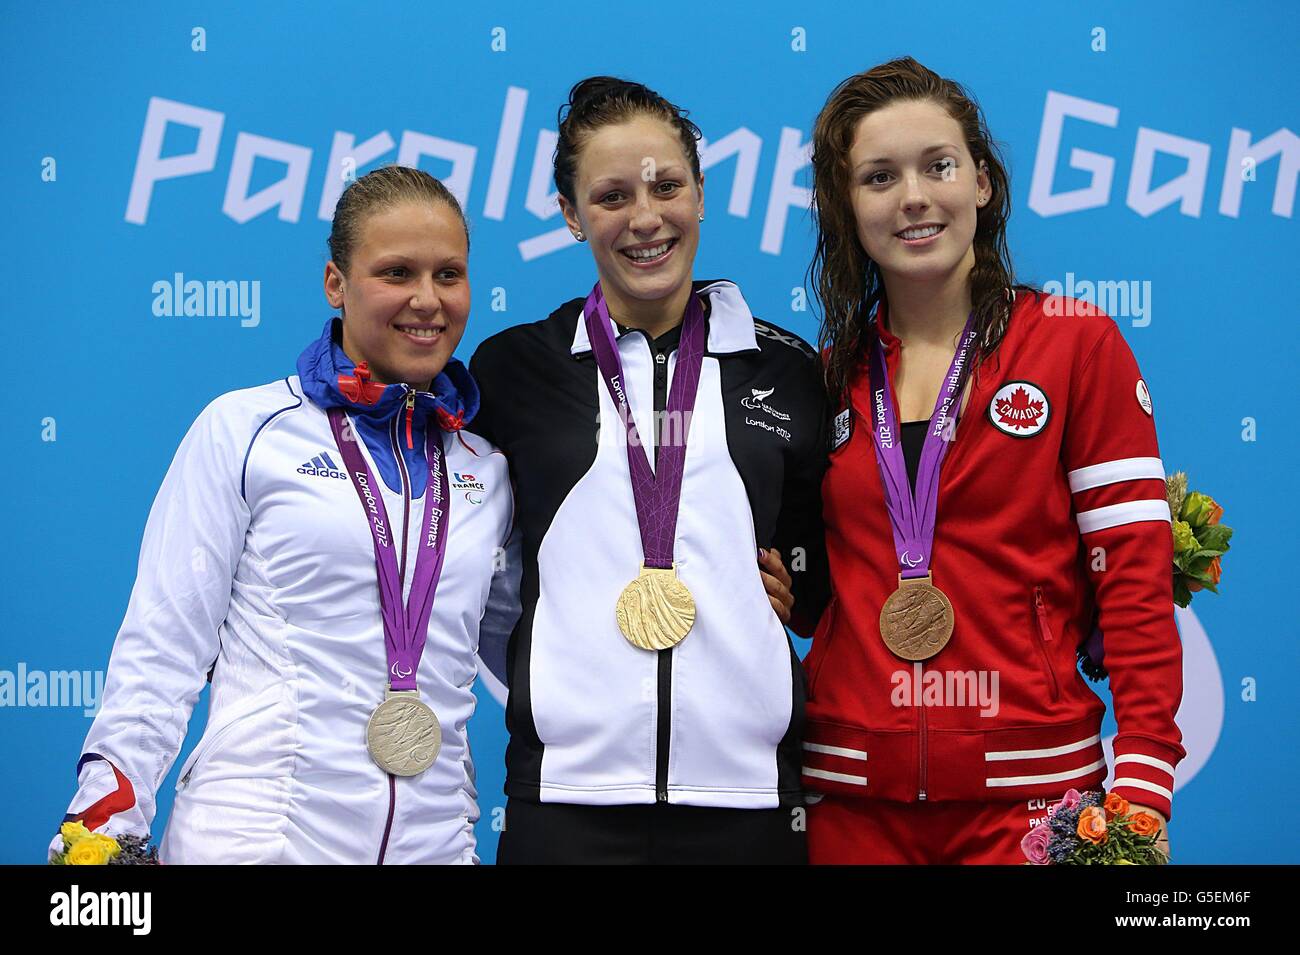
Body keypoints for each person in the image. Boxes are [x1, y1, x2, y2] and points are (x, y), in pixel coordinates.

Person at [50, 166, 513, 864]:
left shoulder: (486, 467)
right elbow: (163, 648)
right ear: (336, 283)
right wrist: (98, 827)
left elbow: (541, 660)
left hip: (435, 846)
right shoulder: (245, 430)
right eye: (396, 272)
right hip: (255, 842)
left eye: (449, 274)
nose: (427, 299)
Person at [798, 57, 1184, 864]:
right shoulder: (829, 375)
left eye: (938, 165)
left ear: (981, 180)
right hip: (850, 798)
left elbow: (1136, 571)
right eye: (878, 176)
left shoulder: (1076, 344)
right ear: (847, 208)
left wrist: (1145, 769)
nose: (913, 196)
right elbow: (818, 582)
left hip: (1035, 802)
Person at [470, 77, 829, 864]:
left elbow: (824, 585)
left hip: (750, 803)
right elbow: (470, 568)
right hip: (564, 802)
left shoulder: (789, 368)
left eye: (667, 186)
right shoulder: (512, 371)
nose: (645, 217)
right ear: (570, 215)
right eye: (610, 195)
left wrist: (769, 585)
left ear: (701, 195)